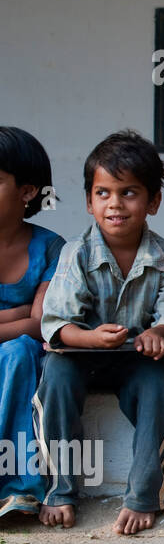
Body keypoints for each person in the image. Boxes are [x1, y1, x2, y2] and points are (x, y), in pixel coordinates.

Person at [35, 131, 164, 534]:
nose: (115, 204)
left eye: (129, 193)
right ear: (89, 202)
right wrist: (89, 338)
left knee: (159, 380)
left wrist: (158, 331)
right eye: (103, 193)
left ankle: (145, 495)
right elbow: (56, 323)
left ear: (153, 201)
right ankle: (60, 490)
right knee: (54, 378)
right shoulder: (77, 254)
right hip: (78, 355)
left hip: (135, 360)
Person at [0, 127, 64, 519]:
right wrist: (18, 314)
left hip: (24, 356)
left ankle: (18, 487)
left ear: (27, 192)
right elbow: (29, 315)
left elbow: (42, 323)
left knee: (18, 352)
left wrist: (26, 318)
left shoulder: (50, 246)